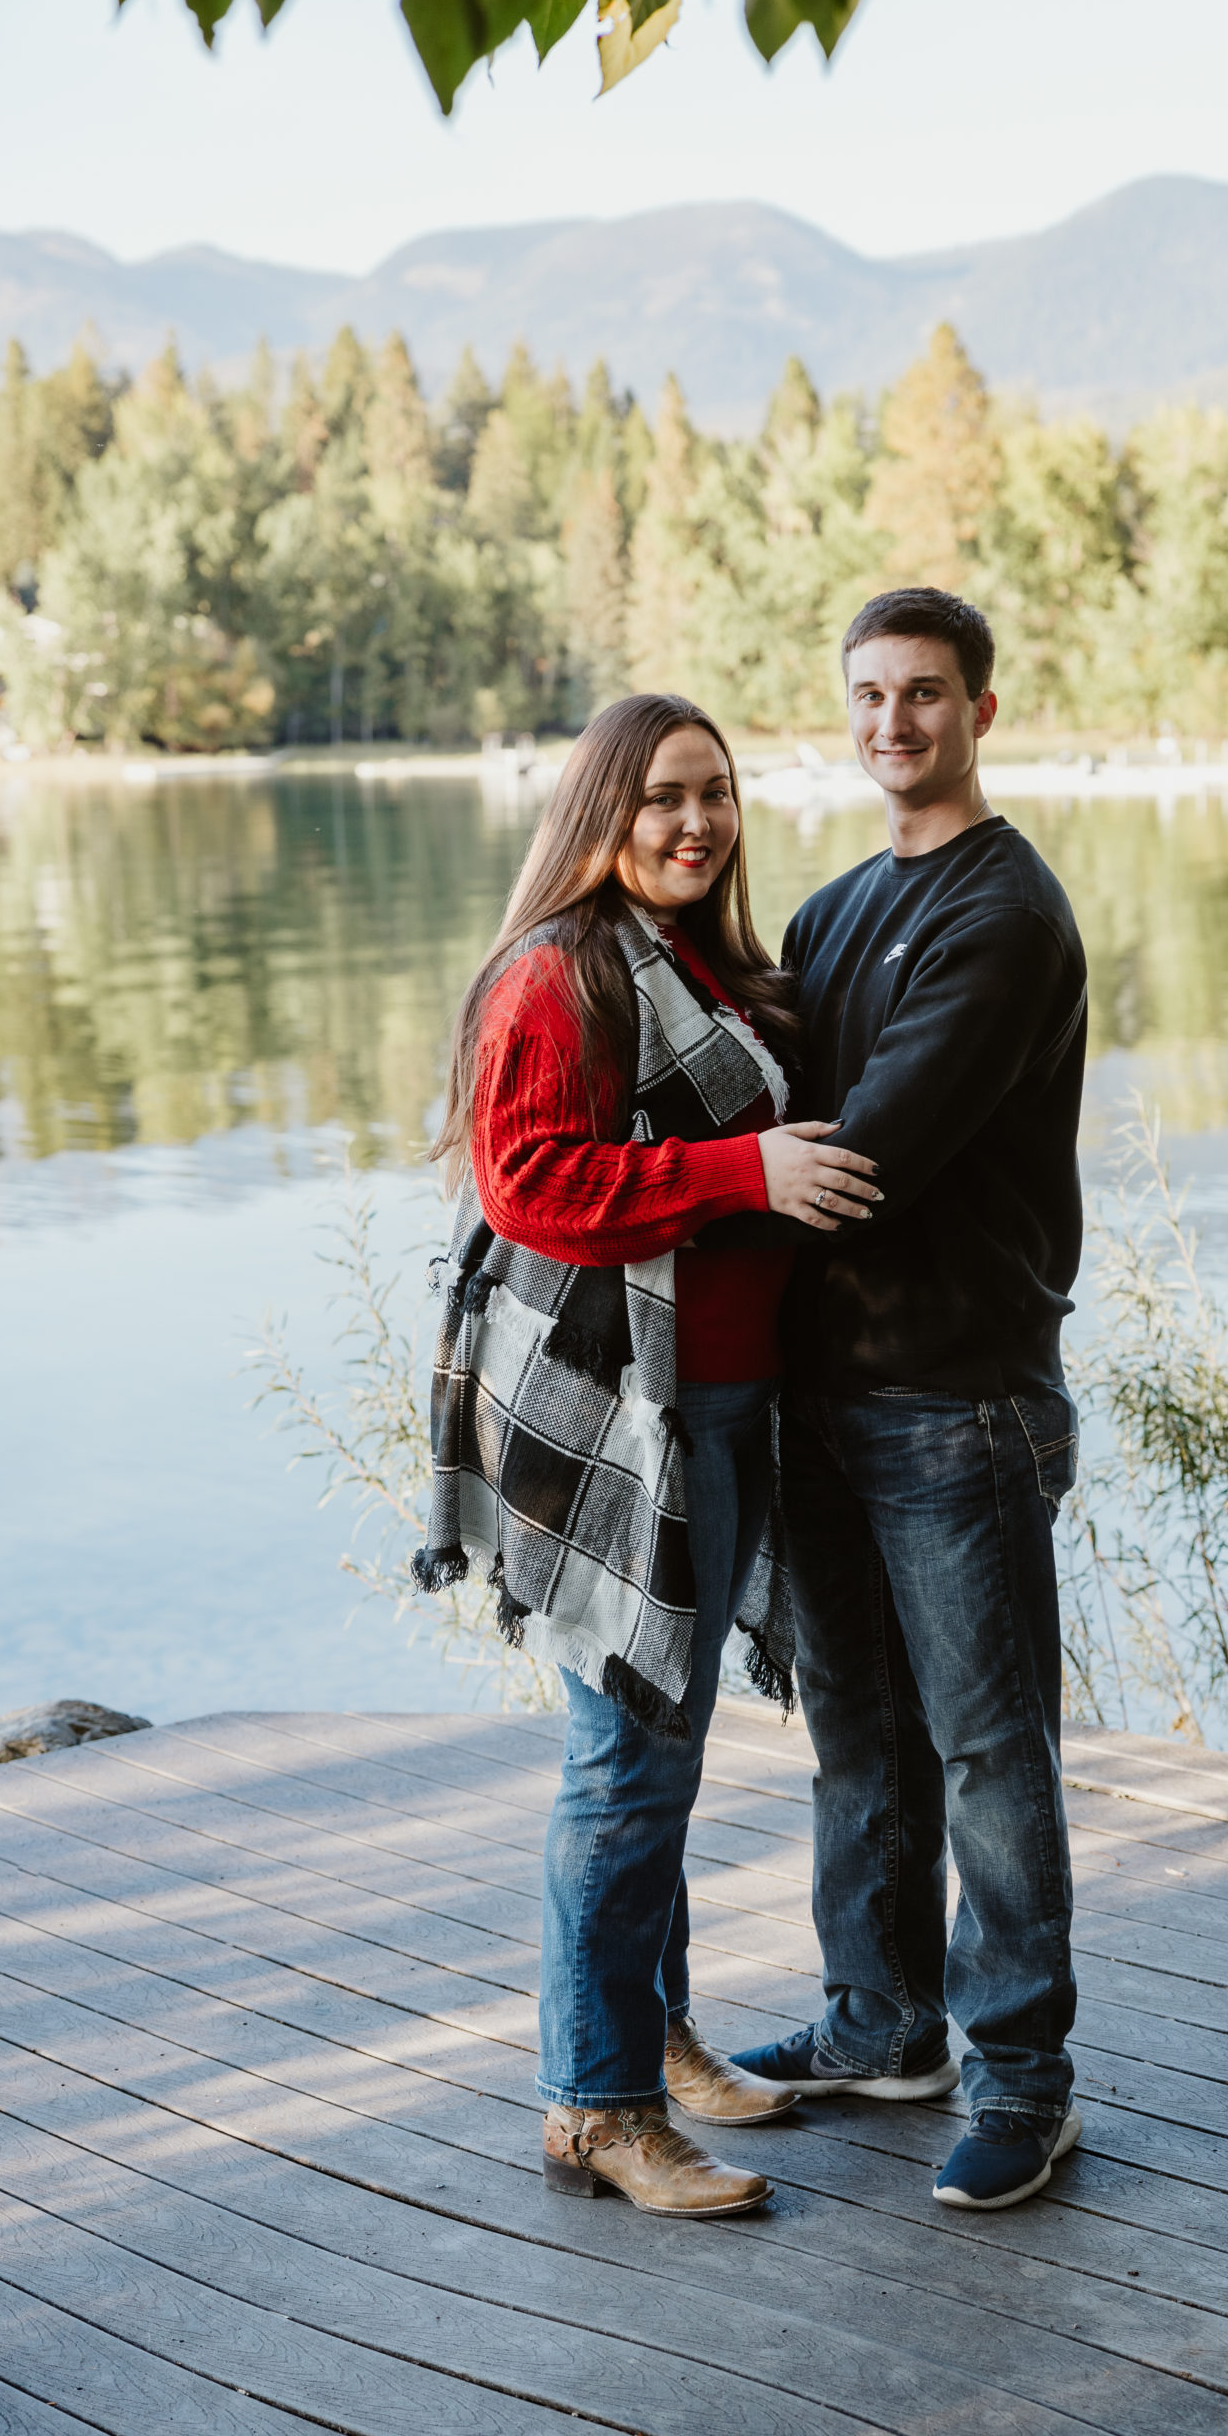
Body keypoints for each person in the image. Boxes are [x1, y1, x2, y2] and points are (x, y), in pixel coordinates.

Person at [416, 692, 880, 2219]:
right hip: (617, 1426)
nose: (695, 824)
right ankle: (594, 2106)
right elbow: (534, 1181)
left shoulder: (693, 959)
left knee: (657, 1750)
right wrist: (746, 1167)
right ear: (600, 811)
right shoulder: (555, 973)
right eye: (663, 798)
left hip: (717, 1406)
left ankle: (656, 2030)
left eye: (716, 796)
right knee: (624, 1762)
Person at [728, 587, 1090, 2212]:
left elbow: (860, 1157)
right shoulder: (828, 912)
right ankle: (882, 2023)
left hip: (956, 1403)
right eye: (869, 696)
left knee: (992, 1755)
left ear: (982, 713)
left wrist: (702, 1185)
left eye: (925, 696)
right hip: (828, 1400)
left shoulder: (1002, 917)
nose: (894, 724)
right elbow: (762, 1091)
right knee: (860, 1740)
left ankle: (1021, 2080)